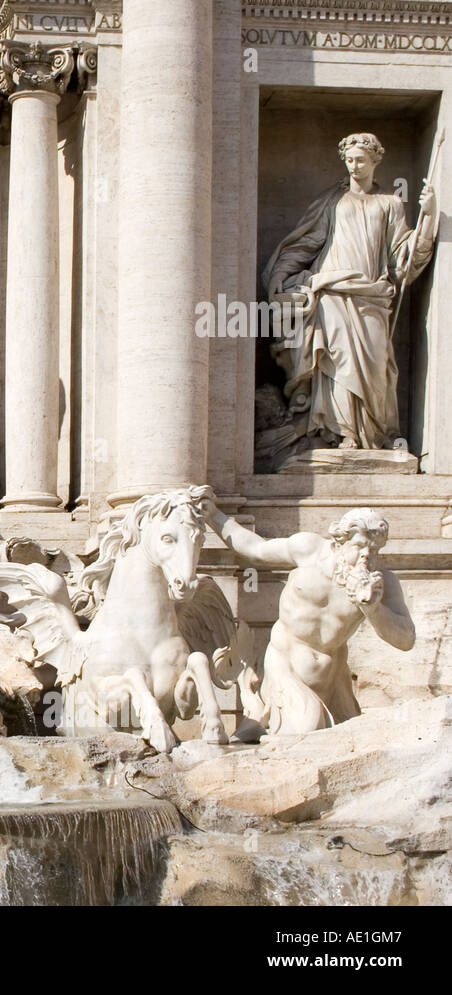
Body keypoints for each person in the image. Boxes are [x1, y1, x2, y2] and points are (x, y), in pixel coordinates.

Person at [263, 132, 437, 451]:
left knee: (375, 364)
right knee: (337, 360)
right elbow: (307, 241)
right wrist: (280, 272)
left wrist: (427, 218)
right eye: (349, 160)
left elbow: (403, 256)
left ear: (374, 161)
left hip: (372, 293)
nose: (354, 166)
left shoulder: (390, 203)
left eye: (360, 160)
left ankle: (372, 435)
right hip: (331, 289)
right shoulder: (333, 200)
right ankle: (342, 433)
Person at [203, 499, 414, 736]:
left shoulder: (382, 583)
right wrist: (213, 514)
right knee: (306, 732)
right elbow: (255, 549)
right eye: (359, 546)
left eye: (374, 549)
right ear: (340, 542)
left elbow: (405, 640)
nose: (367, 555)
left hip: (334, 677)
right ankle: (262, 718)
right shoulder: (309, 549)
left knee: (344, 741)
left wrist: (373, 610)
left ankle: (257, 725)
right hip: (287, 665)